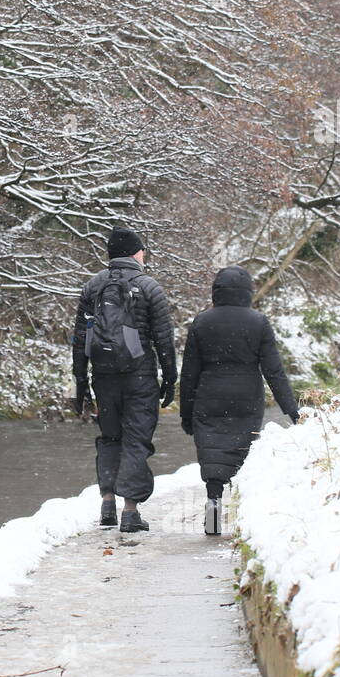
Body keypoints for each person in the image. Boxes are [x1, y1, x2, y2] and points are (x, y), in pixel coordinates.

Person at [179, 265, 299, 535]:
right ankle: (244, 518)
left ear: (216, 292)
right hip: (246, 398)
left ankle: (213, 515)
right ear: (248, 292)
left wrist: (186, 414)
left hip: (209, 397)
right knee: (240, 454)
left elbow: (189, 374)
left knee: (212, 458)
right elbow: (274, 371)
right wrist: (293, 411)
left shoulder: (202, 322)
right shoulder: (258, 322)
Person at [71, 227, 177, 533]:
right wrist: (170, 379)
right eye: (142, 250)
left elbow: (80, 339)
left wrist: (80, 383)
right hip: (139, 376)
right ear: (134, 253)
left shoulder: (92, 287)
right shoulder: (150, 287)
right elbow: (163, 340)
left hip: (102, 377)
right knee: (136, 438)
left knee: (110, 436)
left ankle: (107, 503)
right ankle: (130, 510)